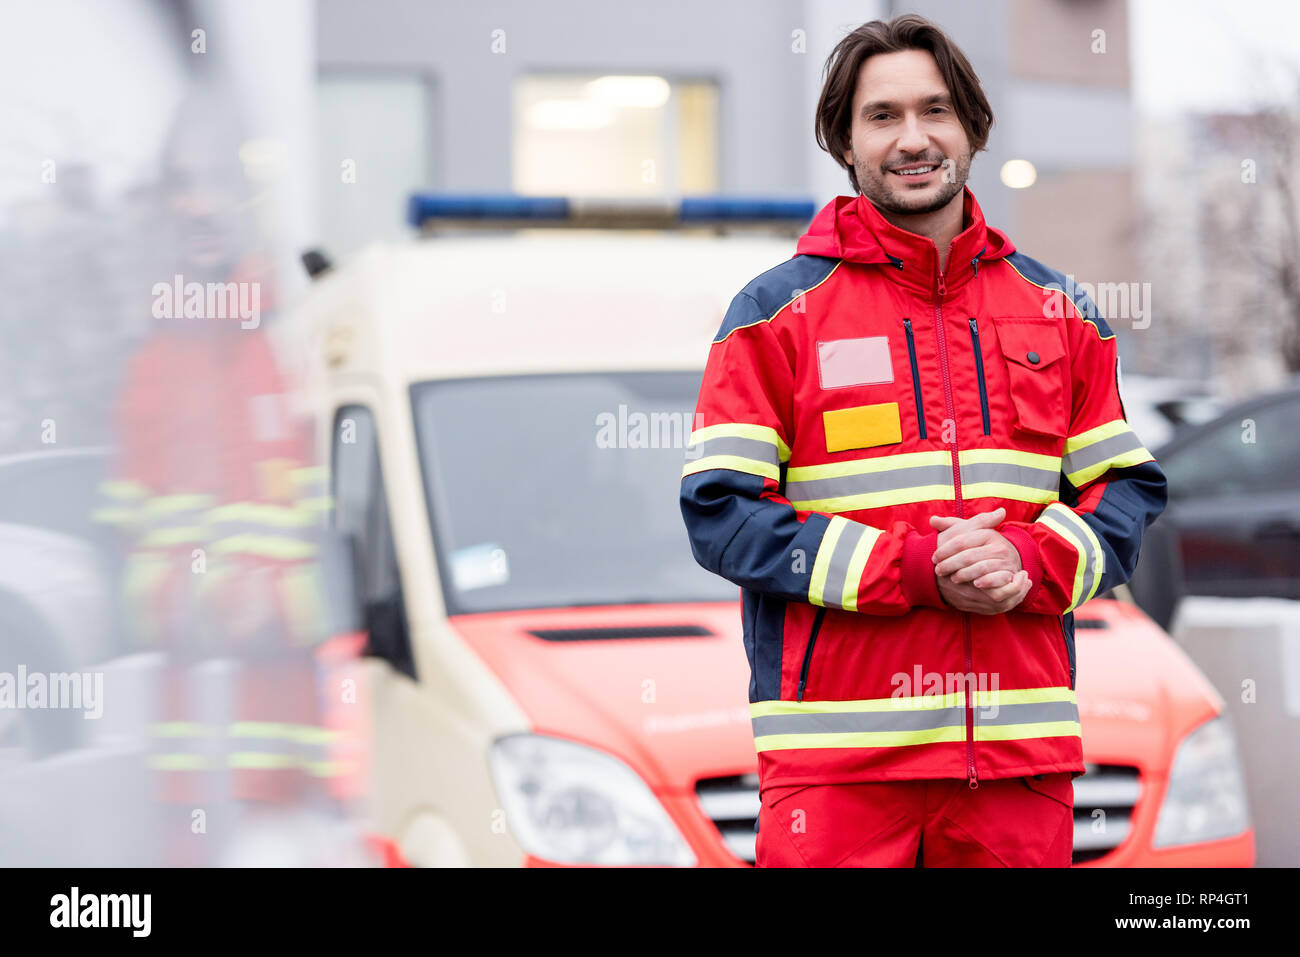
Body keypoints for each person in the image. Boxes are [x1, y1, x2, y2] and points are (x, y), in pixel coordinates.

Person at [679, 14, 1167, 867]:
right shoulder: (773, 314)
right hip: (837, 773)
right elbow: (721, 515)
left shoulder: (1060, 309)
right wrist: (908, 570)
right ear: (845, 140)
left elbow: (1127, 492)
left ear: (973, 128)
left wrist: (1031, 559)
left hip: (1019, 763)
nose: (914, 138)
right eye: (883, 116)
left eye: (936, 111)